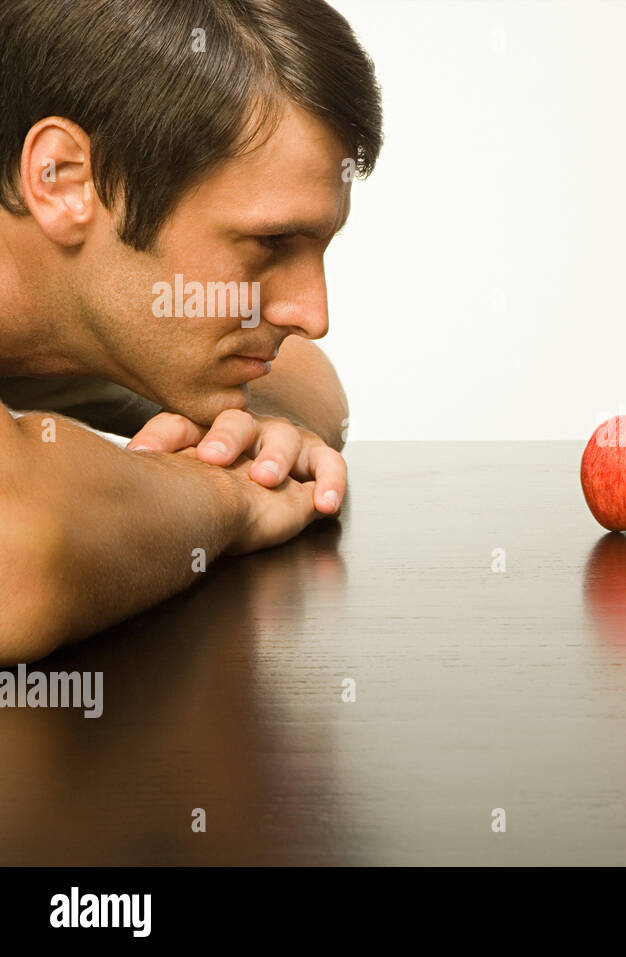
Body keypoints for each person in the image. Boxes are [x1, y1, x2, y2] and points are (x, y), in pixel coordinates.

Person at [0, 0, 382, 662]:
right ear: (62, 181)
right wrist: (226, 494)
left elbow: (306, 380)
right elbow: (16, 551)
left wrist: (261, 437)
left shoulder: (91, 302)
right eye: (270, 241)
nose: (312, 315)